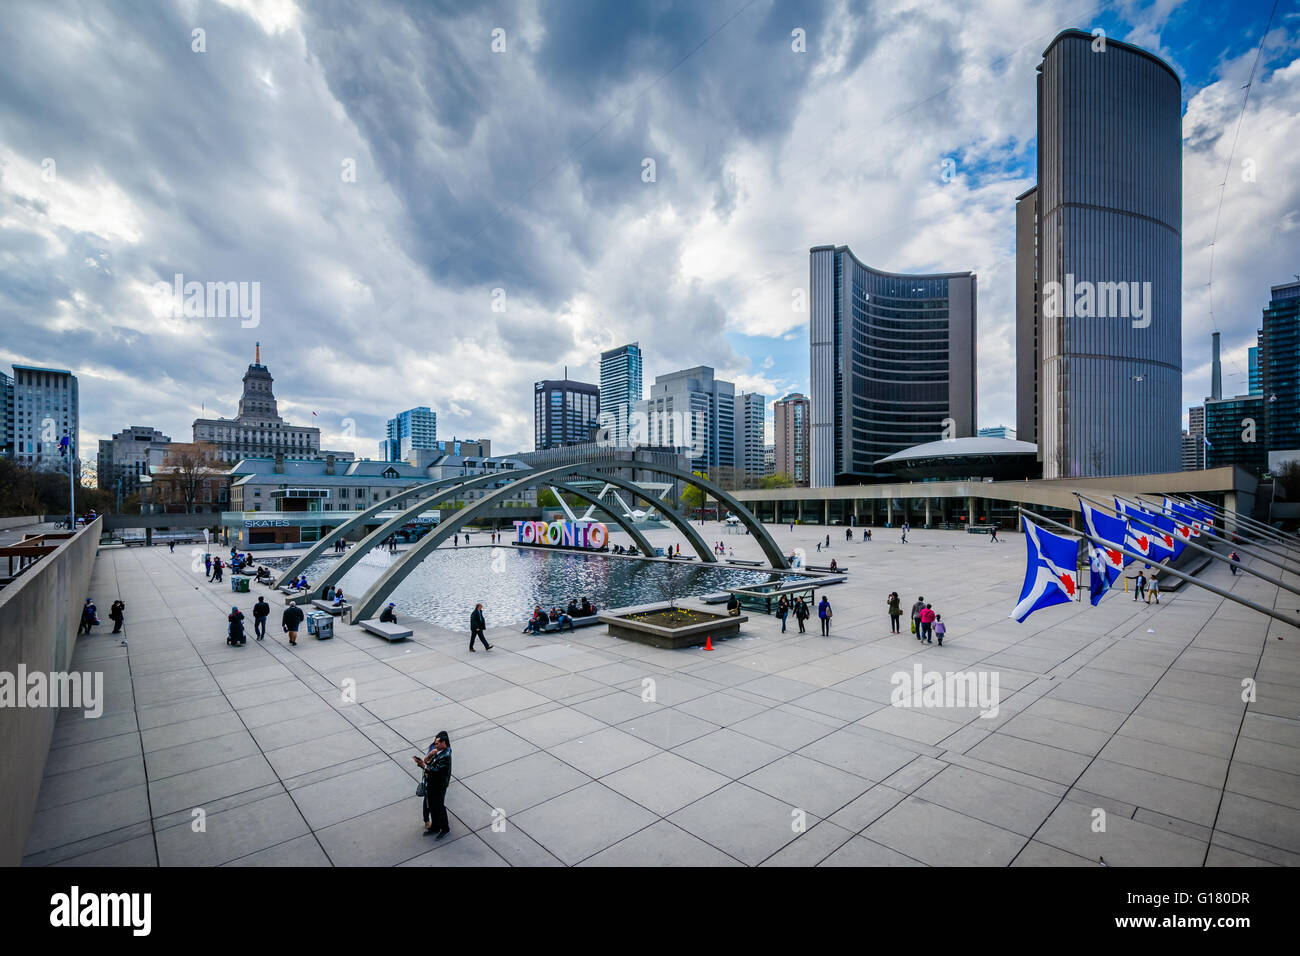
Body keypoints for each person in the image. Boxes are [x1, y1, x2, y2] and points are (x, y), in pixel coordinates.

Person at [413, 731, 452, 838]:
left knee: (439, 806)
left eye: (437, 743)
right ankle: (435, 826)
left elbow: (437, 771)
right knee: (432, 806)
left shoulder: (446, 755)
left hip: (439, 785)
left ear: (444, 743)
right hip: (431, 784)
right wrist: (422, 762)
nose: (435, 745)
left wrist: (424, 766)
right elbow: (431, 764)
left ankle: (445, 828)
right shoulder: (438, 752)